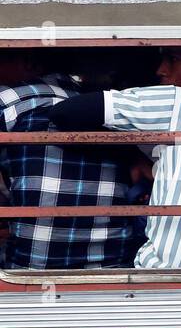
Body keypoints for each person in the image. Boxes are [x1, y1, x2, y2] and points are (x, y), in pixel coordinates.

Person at [46, 47, 181, 270]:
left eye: (173, 59)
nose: (161, 70)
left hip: (168, 273)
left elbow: (66, 112)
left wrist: (127, 151)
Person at [0, 52, 136, 269]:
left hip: (31, 268)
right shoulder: (102, 106)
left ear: (30, 63)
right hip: (112, 266)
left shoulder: (8, 98)